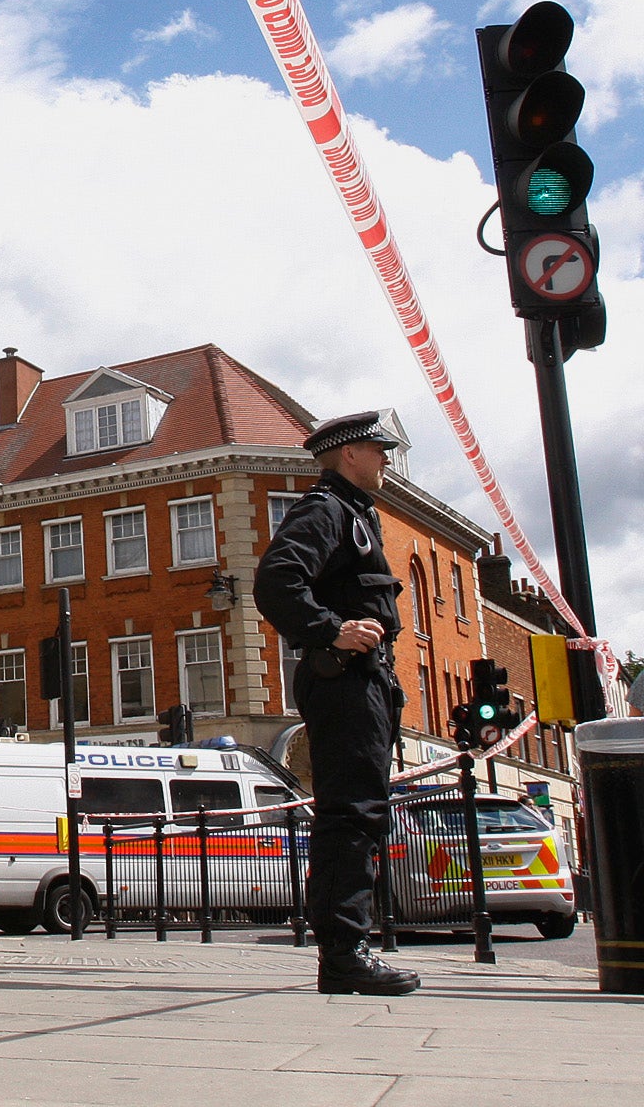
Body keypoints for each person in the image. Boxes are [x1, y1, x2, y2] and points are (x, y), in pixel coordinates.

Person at [254, 410, 421, 996]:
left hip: (365, 683)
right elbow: (277, 581)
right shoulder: (326, 510)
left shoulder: (355, 515)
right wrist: (331, 630)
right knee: (351, 815)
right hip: (345, 681)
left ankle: (348, 949)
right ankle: (345, 953)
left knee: (360, 812)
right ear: (350, 453)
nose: (385, 460)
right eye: (379, 451)